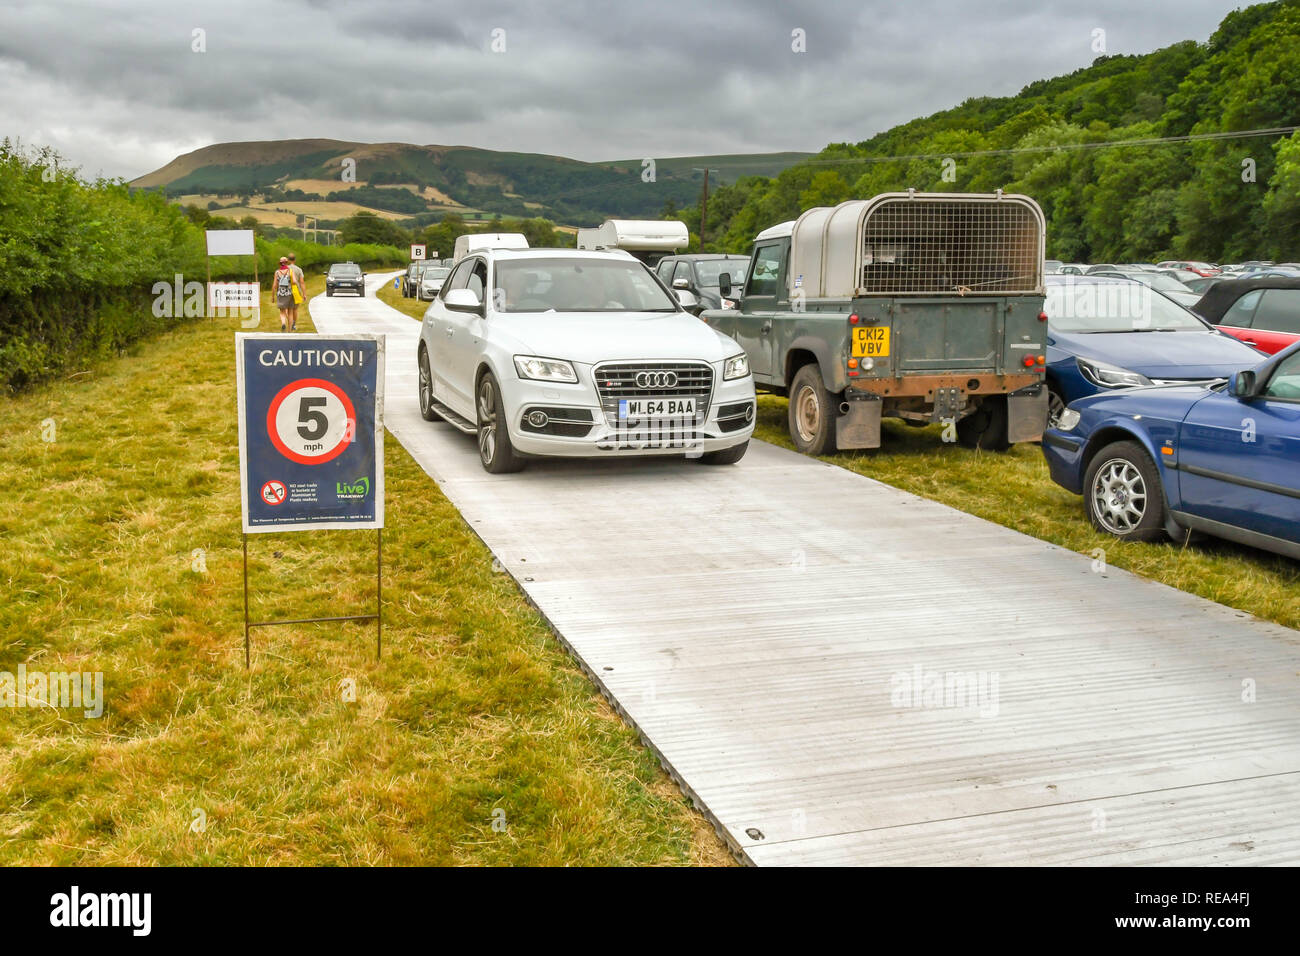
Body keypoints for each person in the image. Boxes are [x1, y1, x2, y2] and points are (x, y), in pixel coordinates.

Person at [273, 256, 294, 331]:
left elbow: (275, 285)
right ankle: (289, 330)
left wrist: (272, 296)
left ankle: (283, 323)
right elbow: (294, 281)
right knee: (290, 312)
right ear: (286, 263)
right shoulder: (290, 271)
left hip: (281, 293)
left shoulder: (277, 272)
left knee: (282, 311)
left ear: (280, 263)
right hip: (289, 293)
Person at [287, 253, 306, 331]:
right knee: (295, 309)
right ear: (294, 260)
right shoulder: (299, 269)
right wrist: (304, 294)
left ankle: (289, 323)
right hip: (296, 291)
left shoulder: (285, 269)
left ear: (288, 260)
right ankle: (293, 324)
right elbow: (302, 282)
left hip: (286, 291)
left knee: (288, 309)